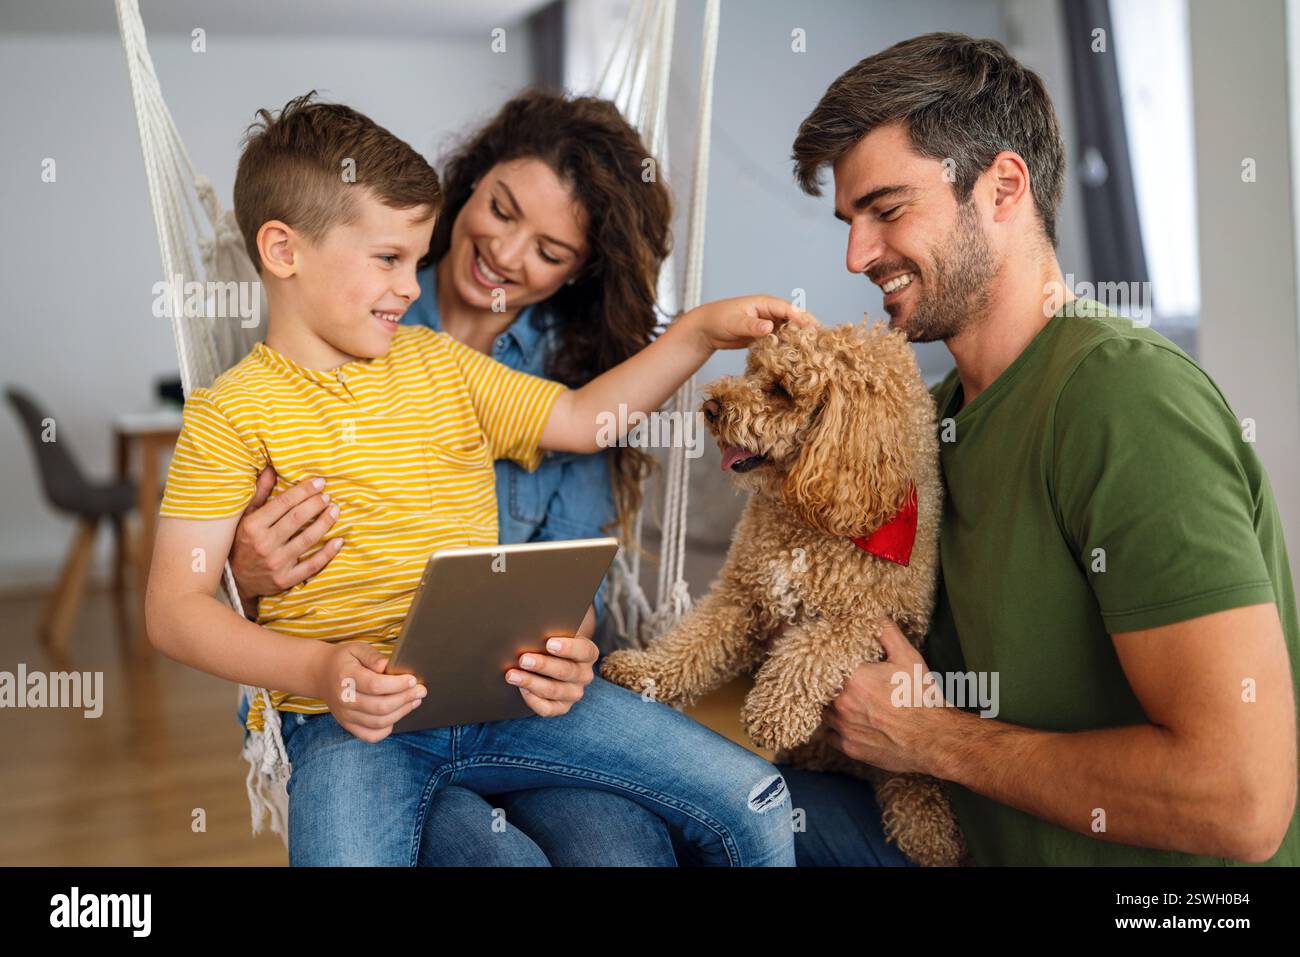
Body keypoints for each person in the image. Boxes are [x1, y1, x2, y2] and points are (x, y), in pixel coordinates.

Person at [146, 91, 811, 866]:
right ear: (284, 251)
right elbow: (173, 609)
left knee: (757, 799)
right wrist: (319, 668)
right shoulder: (230, 415)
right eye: (388, 258)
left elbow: (585, 420)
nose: (406, 284)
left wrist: (697, 331)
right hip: (351, 724)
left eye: (411, 258)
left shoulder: (442, 366)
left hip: (505, 696)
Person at [776, 31, 1298, 865]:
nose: (856, 256)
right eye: (850, 221)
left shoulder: (1125, 400)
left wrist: (931, 737)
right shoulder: (928, 422)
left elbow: (1241, 799)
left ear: (1003, 187)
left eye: (887, 209)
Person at [227, 90, 686, 865]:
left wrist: (567, 647)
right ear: (469, 182)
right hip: (366, 710)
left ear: (579, 274)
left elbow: (583, 586)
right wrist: (245, 572)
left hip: (517, 703)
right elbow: (211, 579)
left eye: (549, 251)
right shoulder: (338, 315)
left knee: (627, 853)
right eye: (502, 210)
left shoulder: (574, 381)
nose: (507, 255)